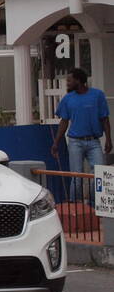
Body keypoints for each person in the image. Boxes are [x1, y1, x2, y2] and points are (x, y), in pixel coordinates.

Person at [51, 67, 112, 202]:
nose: (67, 82)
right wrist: (56, 142)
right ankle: (76, 207)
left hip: (94, 141)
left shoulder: (97, 95)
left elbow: (104, 119)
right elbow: (64, 122)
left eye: (69, 80)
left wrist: (108, 139)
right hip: (75, 142)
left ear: (78, 80)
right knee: (76, 176)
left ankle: (94, 205)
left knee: (98, 174)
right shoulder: (68, 99)